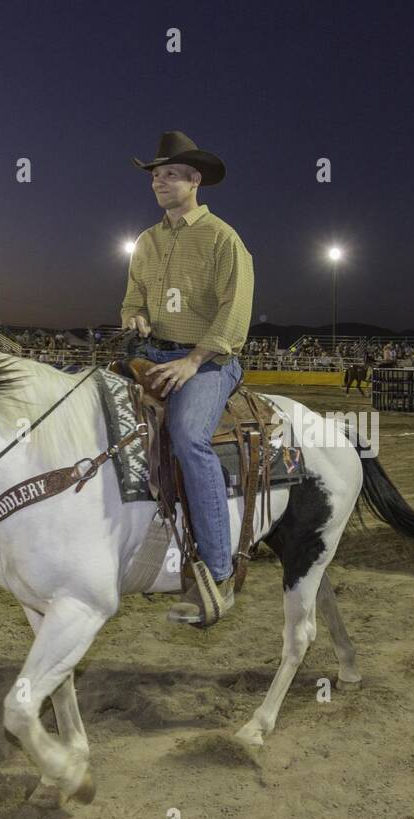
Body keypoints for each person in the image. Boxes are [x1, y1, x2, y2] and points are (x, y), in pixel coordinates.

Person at [121, 130, 254, 626]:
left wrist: (193, 362)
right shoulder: (145, 242)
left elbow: (234, 313)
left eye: (170, 174)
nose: (160, 182)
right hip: (153, 353)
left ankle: (217, 573)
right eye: (155, 176)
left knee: (189, 438)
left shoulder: (223, 239)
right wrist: (133, 317)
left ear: (195, 180)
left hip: (209, 361)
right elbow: (133, 297)